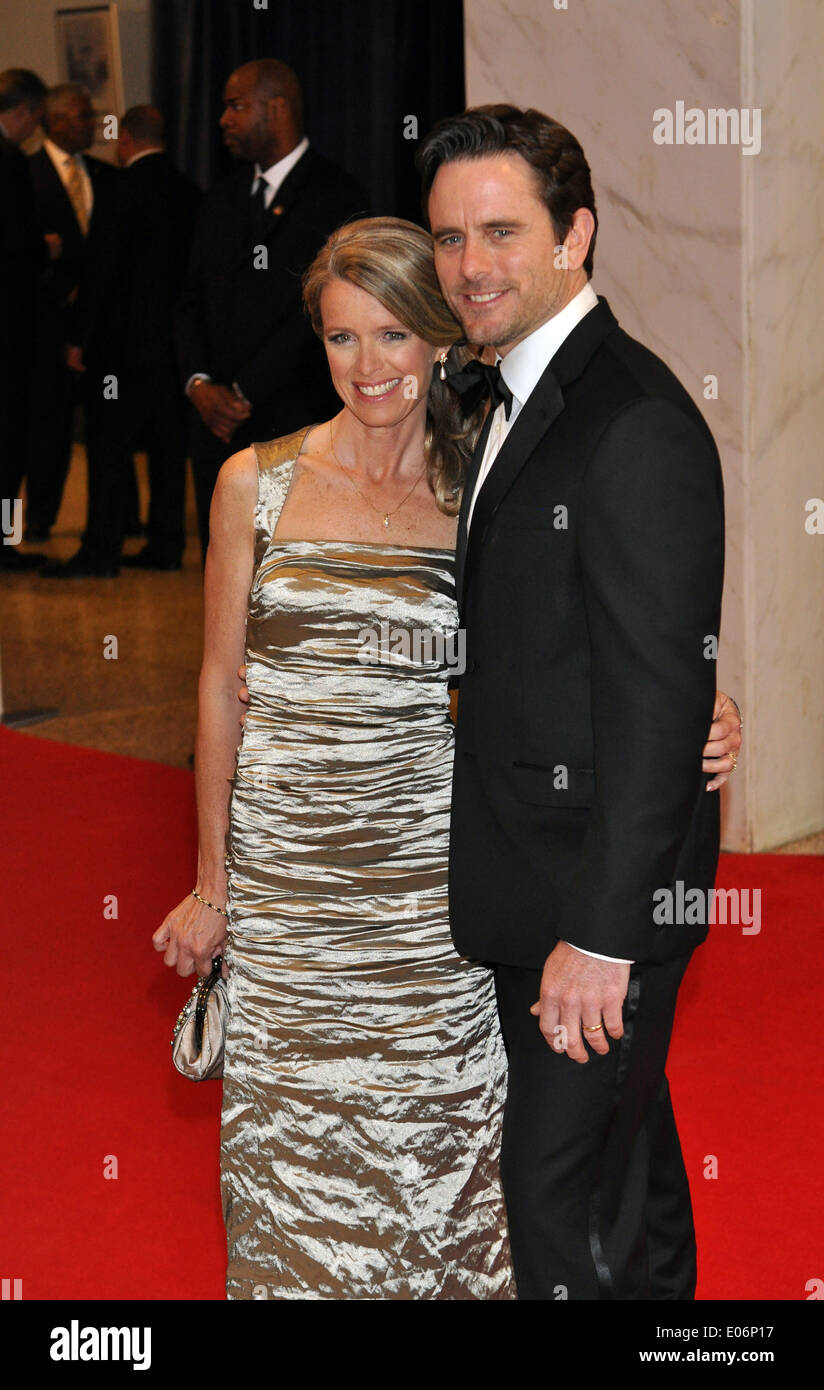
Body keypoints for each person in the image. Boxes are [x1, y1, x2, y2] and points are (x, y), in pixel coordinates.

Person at [155, 214, 740, 1300]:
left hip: (434, 889)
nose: (366, 366)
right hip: (294, 896)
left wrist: (692, 705)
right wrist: (211, 881)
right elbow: (216, 687)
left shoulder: (479, 483)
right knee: (294, 1165)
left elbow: (581, 633)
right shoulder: (254, 484)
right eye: (338, 339)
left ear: (435, 338)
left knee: (438, 1171)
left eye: (390, 335)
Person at [417, 104, 734, 1300]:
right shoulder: (503, 388)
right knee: (623, 1169)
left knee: (554, 1197)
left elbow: (659, 704)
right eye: (449, 239)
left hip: (594, 898)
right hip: (534, 868)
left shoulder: (631, 419)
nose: (469, 267)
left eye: (500, 232)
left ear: (575, 235)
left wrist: (603, 938)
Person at [173, 59, 368, 563]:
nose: (222, 120)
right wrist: (199, 385)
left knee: (293, 578)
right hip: (214, 427)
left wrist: (243, 392)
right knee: (224, 575)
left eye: (236, 106)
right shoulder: (219, 198)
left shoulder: (338, 196)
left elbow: (329, 317)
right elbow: (189, 300)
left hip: (298, 423)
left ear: (276, 108)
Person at [45, 106, 200, 577]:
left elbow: (102, 273)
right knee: (169, 451)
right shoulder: (190, 191)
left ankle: (100, 550)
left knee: (109, 449)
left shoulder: (119, 190)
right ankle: (167, 544)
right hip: (174, 348)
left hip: (121, 349)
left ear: (125, 138)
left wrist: (79, 339)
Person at [28, 83, 120, 563]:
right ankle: (38, 516)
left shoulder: (105, 175)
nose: (93, 123)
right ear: (57, 121)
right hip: (45, 324)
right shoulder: (26, 174)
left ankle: (112, 517)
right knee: (48, 424)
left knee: (107, 422)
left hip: (99, 325)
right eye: (83, 116)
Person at [0, 67, 48, 573]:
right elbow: (19, 244)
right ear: (24, 112)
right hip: (9, 328)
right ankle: (4, 540)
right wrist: (45, 246)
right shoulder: (10, 160)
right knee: (10, 438)